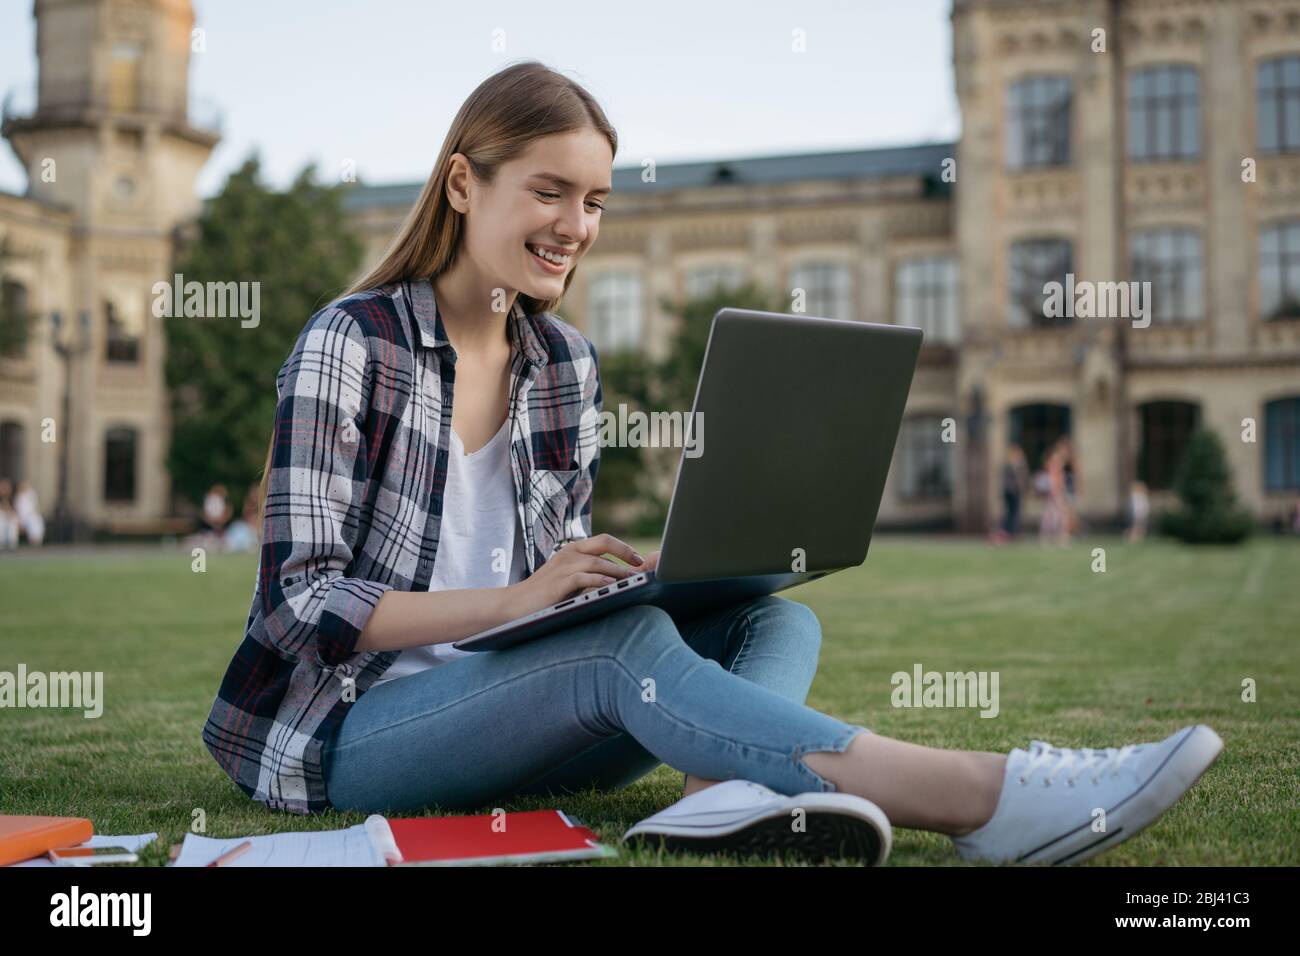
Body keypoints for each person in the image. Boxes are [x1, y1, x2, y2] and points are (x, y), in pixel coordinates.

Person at [201, 61, 1222, 866]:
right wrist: (522, 602)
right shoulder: (354, 341)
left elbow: (551, 576)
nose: (574, 227)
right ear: (463, 183)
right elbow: (300, 602)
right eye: (549, 191)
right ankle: (978, 796)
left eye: (594, 200)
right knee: (619, 651)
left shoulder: (563, 365)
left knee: (772, 615)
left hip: (512, 707)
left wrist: (601, 580)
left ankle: (713, 802)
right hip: (352, 732)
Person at [995, 444, 1028, 543]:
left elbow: (1023, 478)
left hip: (1016, 492)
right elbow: (1007, 480)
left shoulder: (1019, 465)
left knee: (1015, 513)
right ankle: (1005, 533)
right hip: (1010, 492)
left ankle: (1011, 533)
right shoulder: (1008, 465)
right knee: (1009, 513)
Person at [14, 480, 45, 547]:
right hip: (22, 519)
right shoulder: (18, 497)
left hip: (31, 517)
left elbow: (35, 507)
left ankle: (36, 541)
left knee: (37, 520)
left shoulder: (30, 495)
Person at [0, 479, 18, 550]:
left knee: (13, 522)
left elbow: (13, 510)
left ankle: (12, 544)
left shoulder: (12, 497)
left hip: (9, 516)